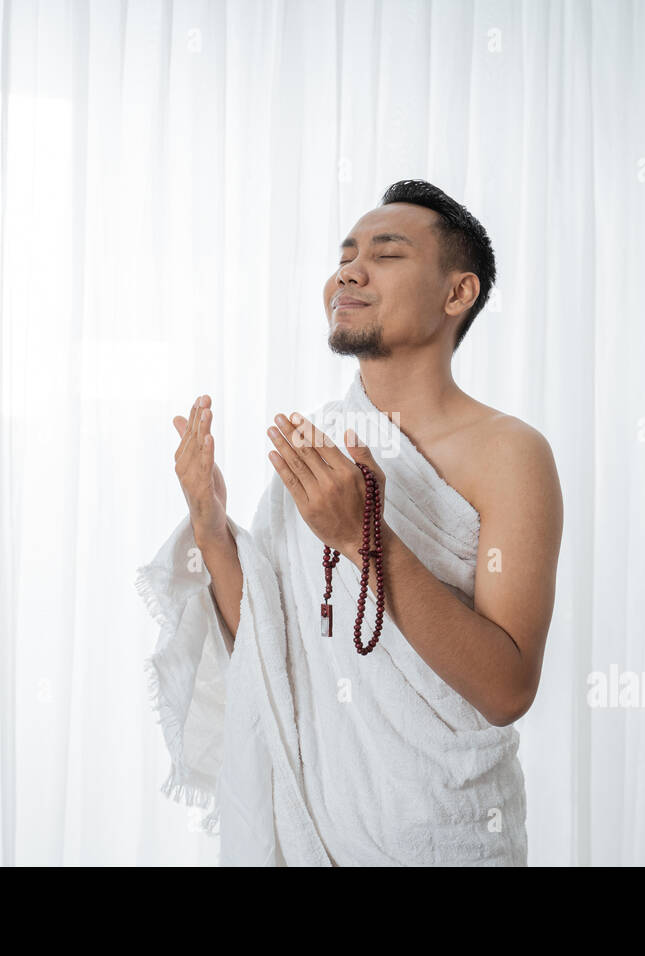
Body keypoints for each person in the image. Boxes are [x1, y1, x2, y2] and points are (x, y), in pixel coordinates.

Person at [137, 179, 563, 866]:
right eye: (346, 255)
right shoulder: (325, 445)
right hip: (317, 837)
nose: (350, 271)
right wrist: (211, 528)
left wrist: (362, 538)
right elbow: (275, 654)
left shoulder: (508, 453)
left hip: (448, 838)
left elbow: (508, 688)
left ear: (458, 293)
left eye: (387, 255)